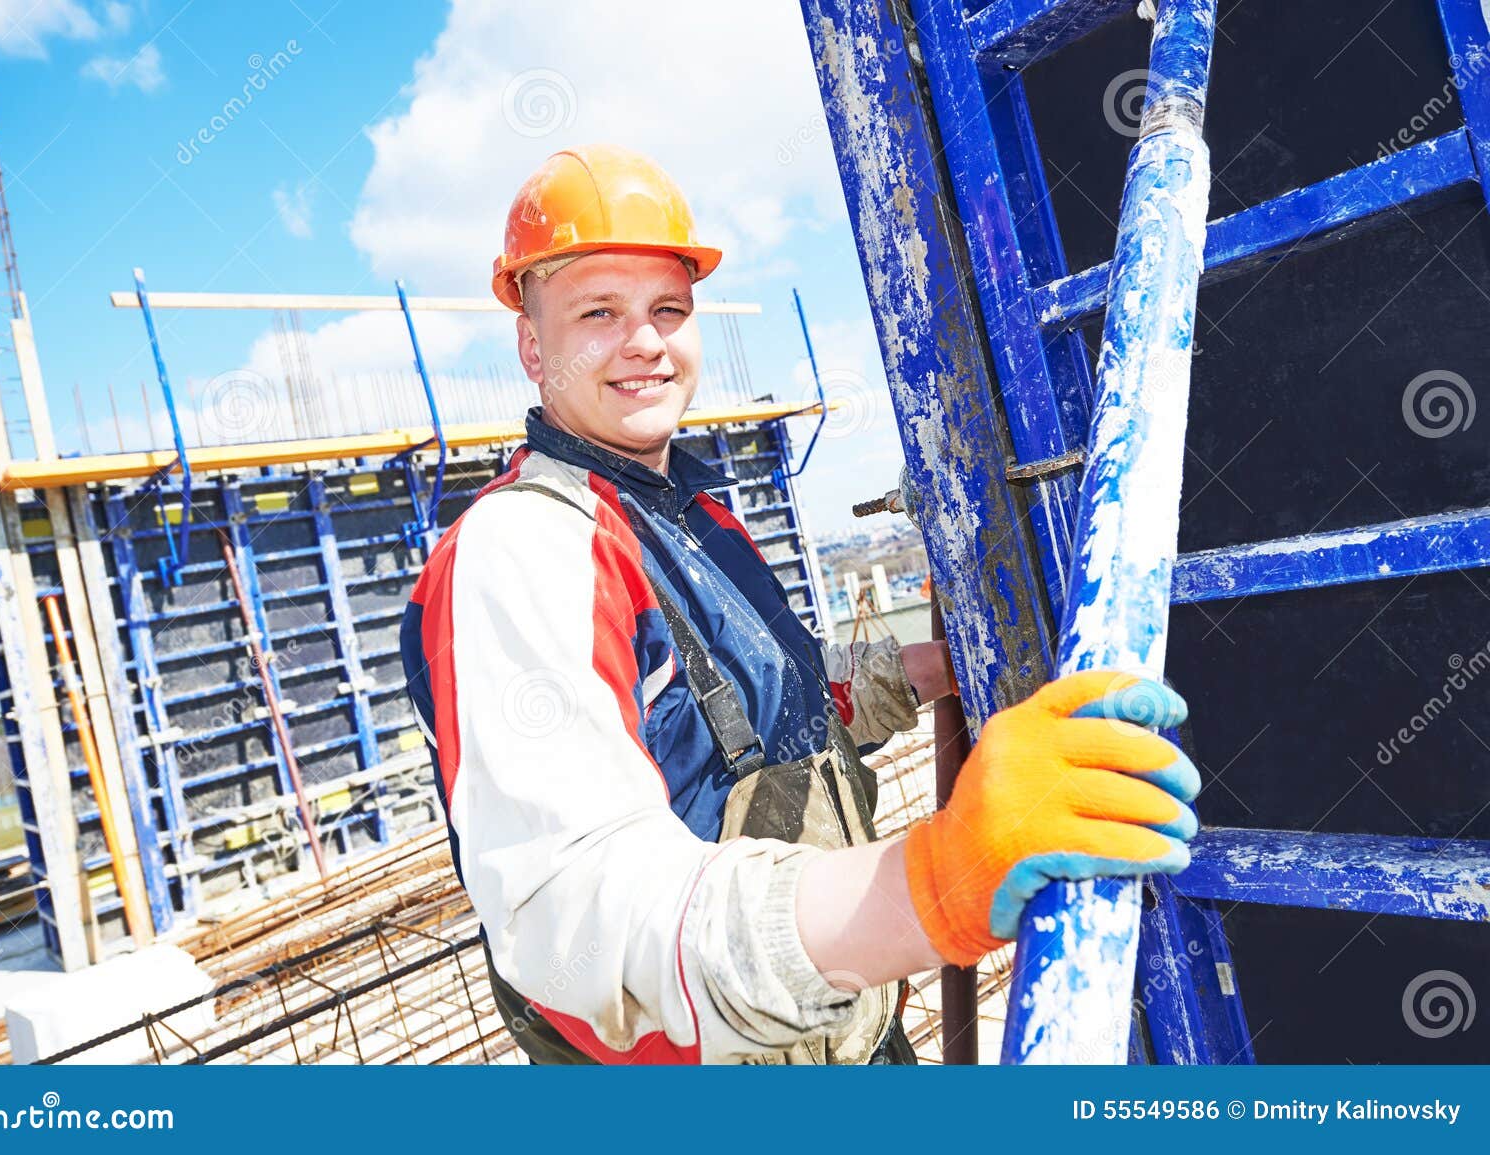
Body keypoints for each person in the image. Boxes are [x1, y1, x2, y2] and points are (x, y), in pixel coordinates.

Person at [399, 144, 1199, 1065]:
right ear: (532, 345)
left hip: (836, 1027)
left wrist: (928, 672)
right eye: (597, 314)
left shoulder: (696, 519)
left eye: (667, 309)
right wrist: (929, 886)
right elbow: (586, 906)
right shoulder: (522, 551)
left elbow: (773, 706)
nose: (645, 341)